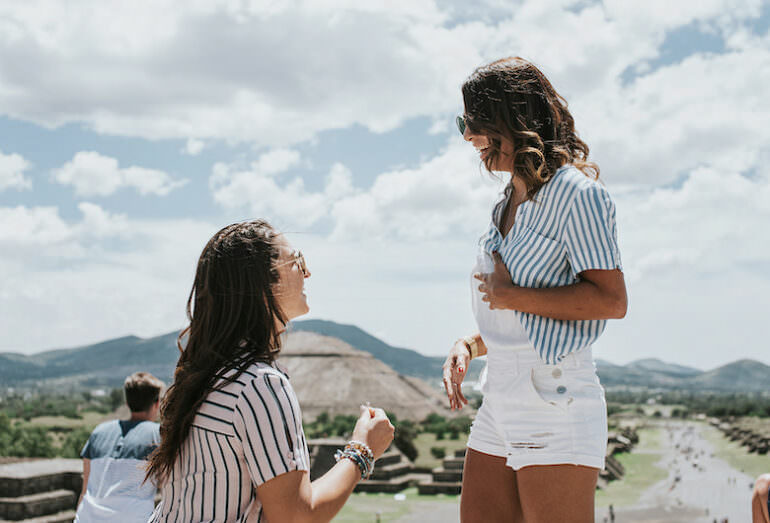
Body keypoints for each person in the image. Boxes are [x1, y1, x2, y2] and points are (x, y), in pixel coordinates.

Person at [442, 57, 627, 522]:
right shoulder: (505, 202)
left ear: (514, 117)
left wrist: (513, 296)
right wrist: (470, 344)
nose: (468, 135)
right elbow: (519, 316)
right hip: (498, 398)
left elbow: (611, 301)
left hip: (555, 399)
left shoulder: (578, 195)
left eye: (475, 121)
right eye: (463, 123)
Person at [145, 220, 394, 522]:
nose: (307, 273)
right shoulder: (259, 384)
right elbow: (296, 516)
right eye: (298, 261)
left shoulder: (208, 375)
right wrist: (362, 449)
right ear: (265, 282)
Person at [75, 371, 164, 522]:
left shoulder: (99, 432)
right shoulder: (158, 436)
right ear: (157, 403)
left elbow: (85, 490)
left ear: (127, 403)